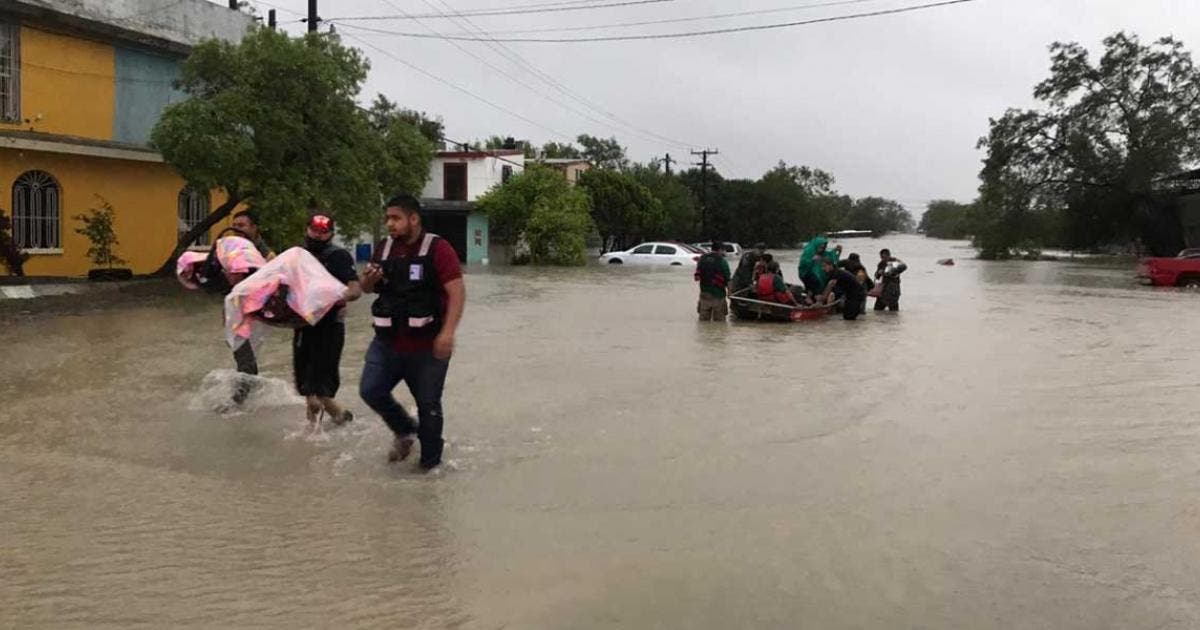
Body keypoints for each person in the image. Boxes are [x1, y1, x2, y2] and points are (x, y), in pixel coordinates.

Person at [359, 195, 466, 470]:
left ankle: (430, 470)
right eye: (387, 219)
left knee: (429, 405)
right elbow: (367, 288)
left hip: (428, 346)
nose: (389, 224)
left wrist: (448, 333)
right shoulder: (384, 249)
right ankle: (405, 430)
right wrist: (367, 282)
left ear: (414, 219)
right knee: (370, 390)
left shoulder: (438, 249)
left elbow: (457, 293)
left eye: (395, 218)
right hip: (387, 343)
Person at [293, 213, 362, 427]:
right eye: (314, 230)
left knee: (320, 384)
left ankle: (335, 418)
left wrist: (335, 297)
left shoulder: (338, 256)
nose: (318, 235)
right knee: (305, 382)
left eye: (323, 232)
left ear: (331, 234)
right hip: (303, 325)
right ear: (306, 229)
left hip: (330, 327)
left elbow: (355, 288)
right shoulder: (297, 255)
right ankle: (318, 427)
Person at [227, 210, 275, 405]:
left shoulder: (267, 255)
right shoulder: (230, 250)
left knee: (246, 357)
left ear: (254, 228)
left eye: (242, 226)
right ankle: (249, 397)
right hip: (236, 311)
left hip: (257, 314)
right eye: (235, 226)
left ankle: (238, 401)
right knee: (243, 356)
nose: (237, 230)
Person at [694, 240, 731, 321]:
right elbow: (728, 279)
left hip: (704, 295)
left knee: (703, 323)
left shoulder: (702, 259)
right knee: (720, 324)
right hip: (719, 295)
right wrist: (730, 292)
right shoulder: (722, 261)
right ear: (720, 249)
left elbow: (697, 277)